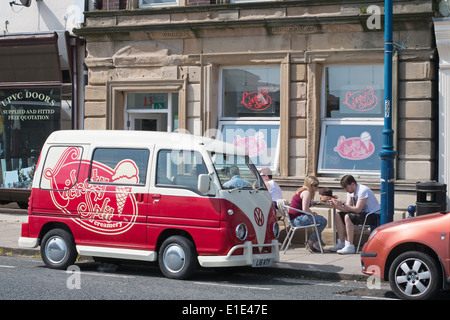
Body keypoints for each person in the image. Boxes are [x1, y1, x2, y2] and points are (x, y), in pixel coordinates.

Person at [329, 175, 380, 254]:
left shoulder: (363, 190)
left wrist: (342, 204)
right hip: (363, 214)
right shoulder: (350, 192)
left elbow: (357, 209)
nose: (346, 190)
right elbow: (347, 208)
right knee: (338, 215)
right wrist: (336, 206)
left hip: (373, 215)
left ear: (353, 184)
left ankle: (350, 246)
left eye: (346, 187)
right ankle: (341, 243)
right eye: (344, 188)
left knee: (348, 217)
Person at [288, 176, 327, 253]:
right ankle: (311, 241)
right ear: (310, 185)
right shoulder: (307, 192)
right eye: (315, 185)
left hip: (295, 219)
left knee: (319, 220)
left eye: (317, 185)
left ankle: (316, 243)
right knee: (323, 221)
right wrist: (313, 214)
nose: (317, 187)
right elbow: (305, 209)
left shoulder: (302, 191)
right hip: (297, 220)